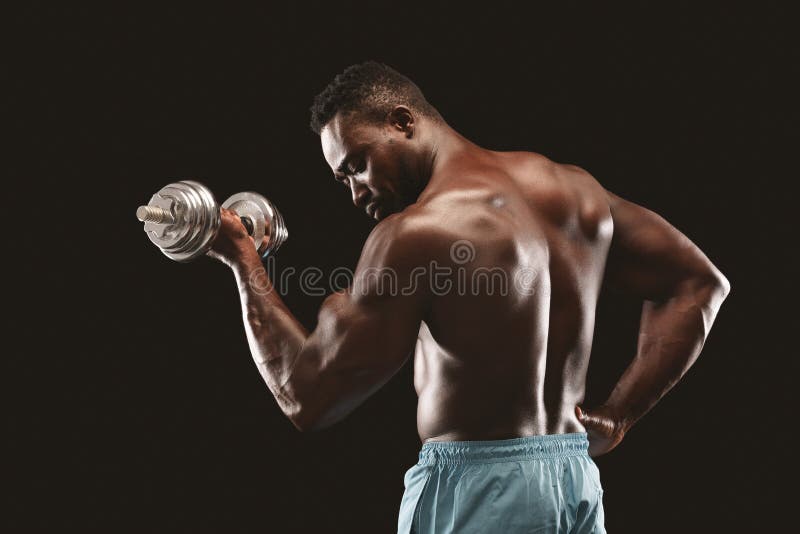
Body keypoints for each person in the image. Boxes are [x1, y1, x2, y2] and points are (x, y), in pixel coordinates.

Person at [207, 61, 730, 533]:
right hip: (574, 480)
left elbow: (307, 398)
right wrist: (619, 415)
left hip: (479, 493)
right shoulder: (574, 191)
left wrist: (243, 261)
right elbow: (699, 283)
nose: (356, 193)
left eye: (357, 165)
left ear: (402, 121)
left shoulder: (415, 233)